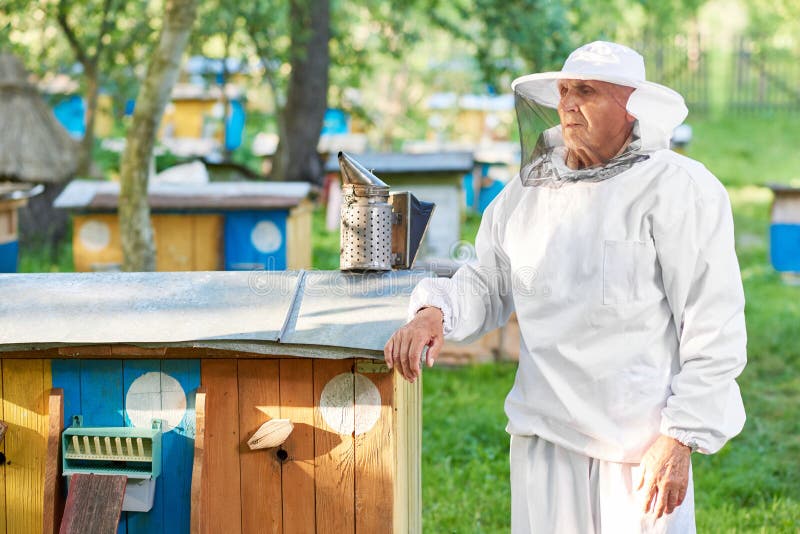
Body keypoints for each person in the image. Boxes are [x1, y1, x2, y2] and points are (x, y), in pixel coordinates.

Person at [384, 41, 746, 533]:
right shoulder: (526, 194)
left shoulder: (681, 190)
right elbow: (486, 281)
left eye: (587, 92)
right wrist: (434, 312)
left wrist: (680, 438)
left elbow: (713, 322)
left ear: (630, 105)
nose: (568, 105)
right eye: (564, 92)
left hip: (638, 446)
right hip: (544, 435)